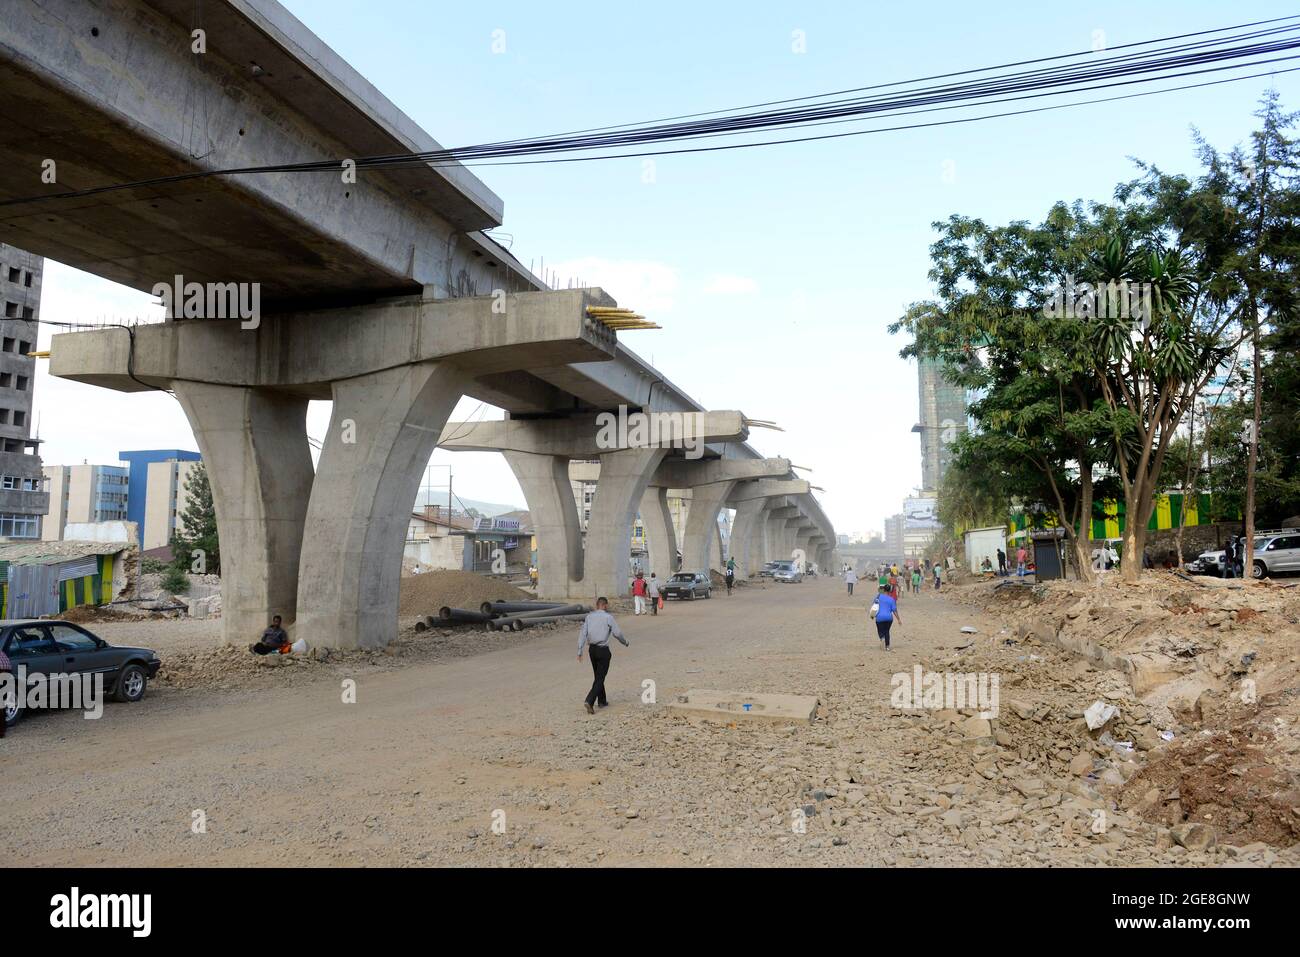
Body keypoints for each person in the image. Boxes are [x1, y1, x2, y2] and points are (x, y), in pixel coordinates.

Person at [578, 597, 628, 714]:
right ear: (605, 605)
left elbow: (583, 633)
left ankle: (602, 700)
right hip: (603, 651)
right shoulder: (608, 617)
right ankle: (589, 700)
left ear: (597, 605)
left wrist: (579, 650)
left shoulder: (589, 617)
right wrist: (625, 642)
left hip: (592, 650)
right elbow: (617, 633)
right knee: (600, 677)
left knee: (598, 676)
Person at [873, 583, 901, 651]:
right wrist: (898, 619)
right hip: (889, 618)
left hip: (879, 618)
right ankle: (887, 646)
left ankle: (882, 638)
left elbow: (874, 607)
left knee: (880, 630)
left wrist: (872, 615)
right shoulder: (891, 599)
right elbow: (894, 610)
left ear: (883, 590)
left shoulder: (878, 597)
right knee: (887, 631)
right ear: (890, 591)